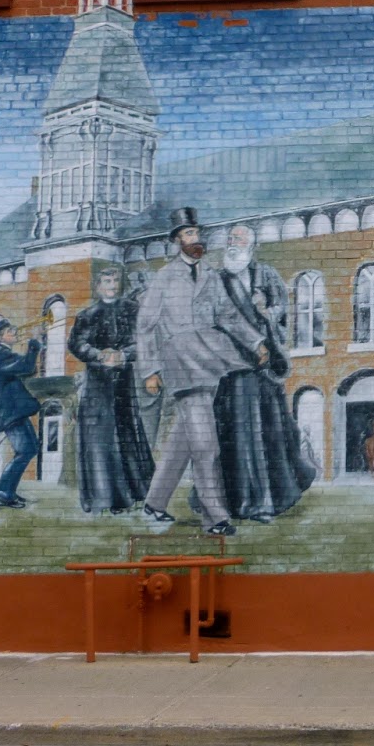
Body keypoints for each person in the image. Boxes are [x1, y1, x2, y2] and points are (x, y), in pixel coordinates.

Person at [135, 207, 251, 536]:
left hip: (210, 364)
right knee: (205, 446)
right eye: (188, 235)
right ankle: (215, 518)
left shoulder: (210, 276)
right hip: (181, 366)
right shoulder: (164, 278)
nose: (194, 239)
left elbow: (228, 316)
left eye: (197, 234)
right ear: (176, 241)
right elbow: (145, 326)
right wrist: (150, 370)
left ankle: (154, 504)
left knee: (182, 443)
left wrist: (254, 341)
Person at [214, 225, 314, 522]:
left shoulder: (266, 275)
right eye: (231, 239)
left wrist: (266, 312)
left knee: (268, 434)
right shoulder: (217, 281)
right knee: (236, 437)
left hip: (263, 369)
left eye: (240, 240)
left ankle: (264, 501)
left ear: (252, 246)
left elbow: (283, 309)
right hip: (230, 370)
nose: (234, 243)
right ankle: (241, 502)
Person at [69, 266, 153, 514]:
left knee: (127, 435)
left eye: (115, 280)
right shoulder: (87, 314)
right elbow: (76, 343)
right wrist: (99, 354)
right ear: (98, 286)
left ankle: (134, 494)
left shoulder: (132, 310)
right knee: (100, 442)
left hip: (124, 385)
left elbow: (143, 341)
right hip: (96, 386)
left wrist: (123, 355)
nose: (112, 285)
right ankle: (104, 499)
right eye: (106, 281)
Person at [0, 317, 44, 510]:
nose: (15, 334)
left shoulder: (4, 353)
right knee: (26, 450)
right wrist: (34, 342)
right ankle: (4, 494)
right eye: (11, 332)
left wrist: (31, 351)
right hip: (10, 413)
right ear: (1, 336)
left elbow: (29, 369)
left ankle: (8, 492)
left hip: (15, 412)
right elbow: (27, 366)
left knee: (30, 449)